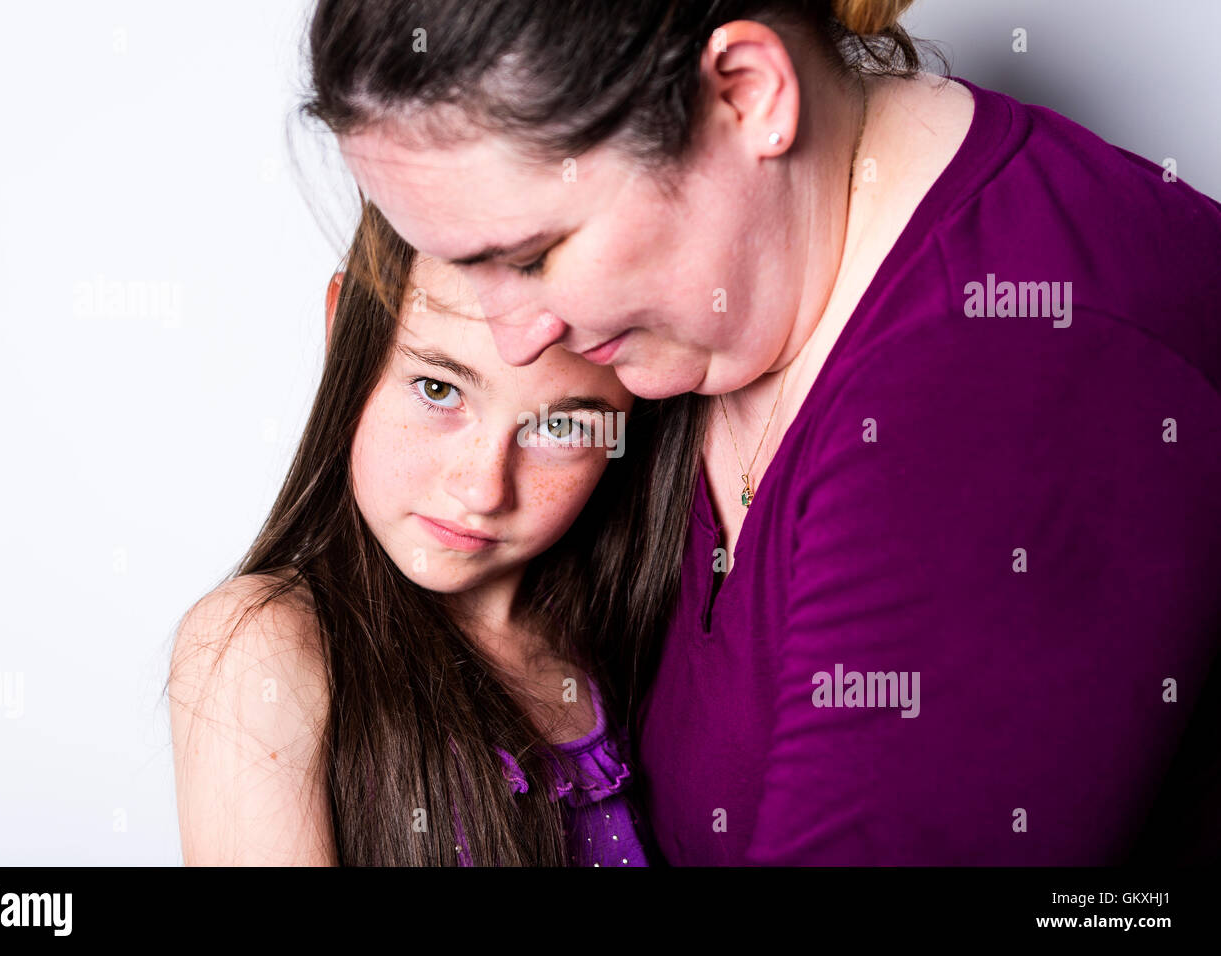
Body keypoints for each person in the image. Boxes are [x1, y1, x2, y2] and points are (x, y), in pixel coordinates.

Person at [307, 0, 1221, 864]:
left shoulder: (1009, 379)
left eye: (533, 256)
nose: (516, 336)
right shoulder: (708, 326)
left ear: (748, 93)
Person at [168, 202, 706, 865]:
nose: (483, 488)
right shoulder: (261, 647)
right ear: (344, 329)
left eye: (561, 428)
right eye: (438, 389)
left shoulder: (627, 633)